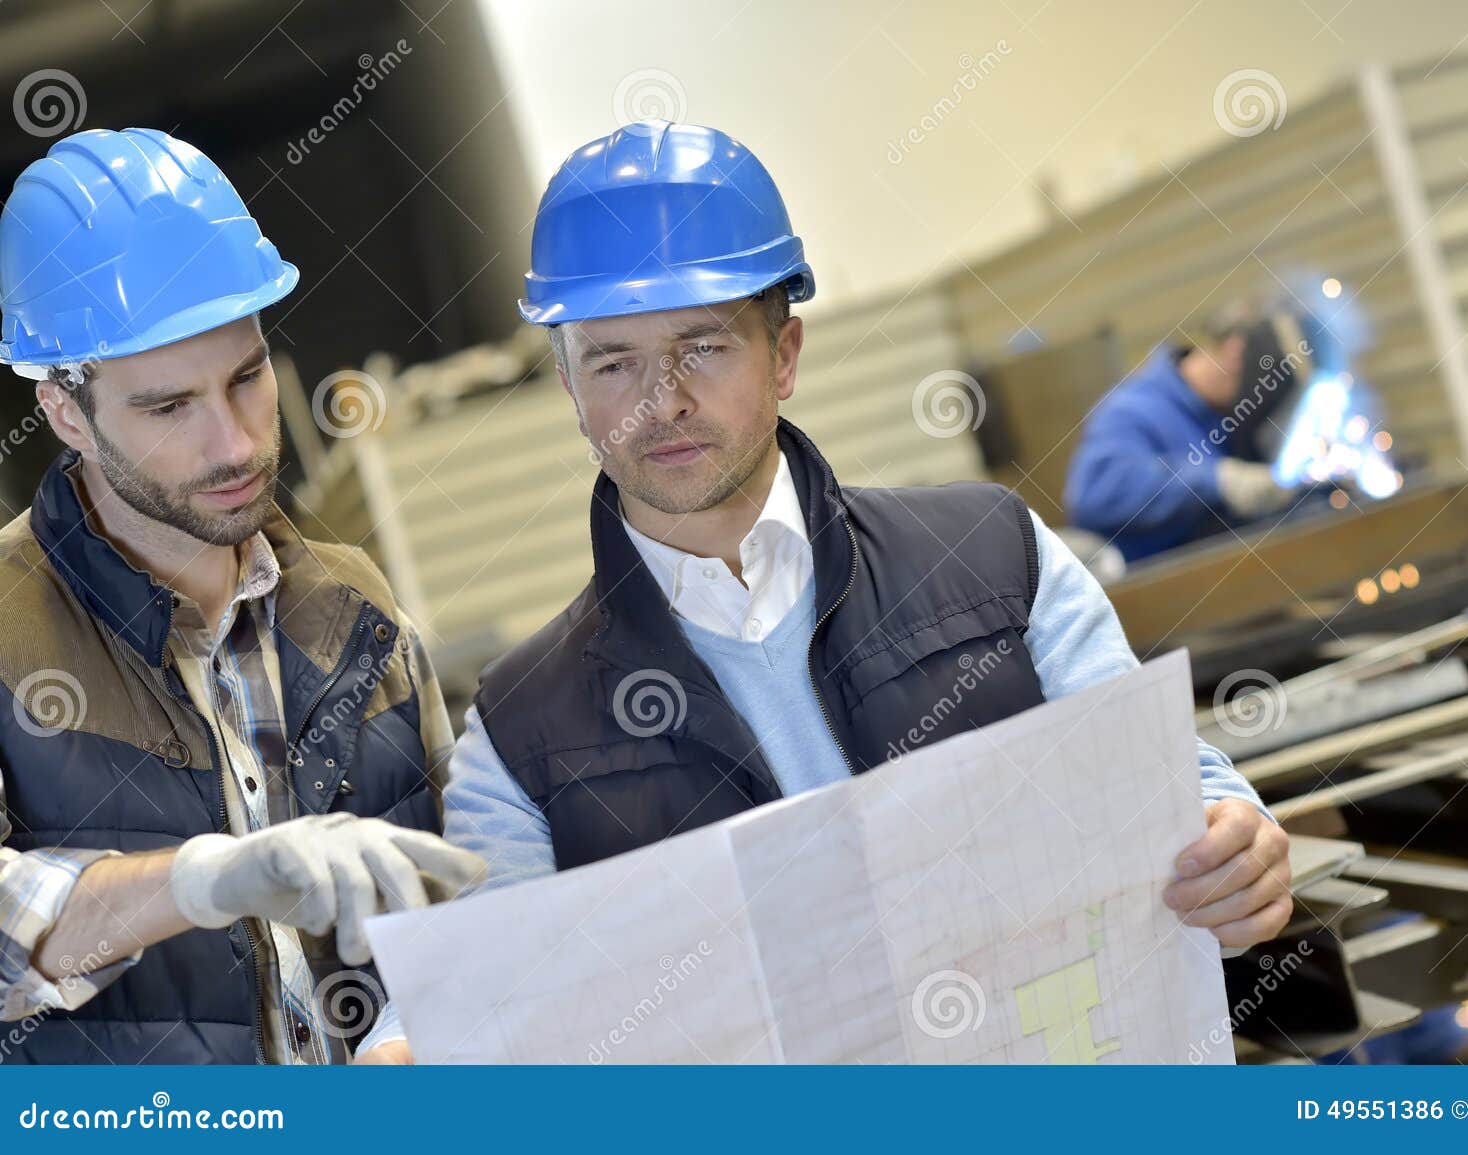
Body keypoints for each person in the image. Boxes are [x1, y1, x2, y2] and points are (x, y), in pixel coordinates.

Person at [358, 121, 1291, 1063]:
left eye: (703, 346)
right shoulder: (521, 735)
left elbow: (1163, 783)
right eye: (614, 362)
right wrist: (405, 1053)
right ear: (570, 387)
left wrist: (1236, 840)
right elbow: (480, 994)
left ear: (786, 354)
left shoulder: (996, 555)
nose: (661, 401)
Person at [0, 128, 483, 1064]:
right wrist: (199, 882)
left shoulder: (358, 610)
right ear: (65, 408)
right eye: (169, 406)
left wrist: (412, 1028)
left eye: (248, 376)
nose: (232, 443)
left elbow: (456, 909)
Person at [1065, 305, 1306, 562]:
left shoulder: (1221, 419)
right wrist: (1218, 480)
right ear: (1235, 354)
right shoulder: (1130, 410)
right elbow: (1093, 497)